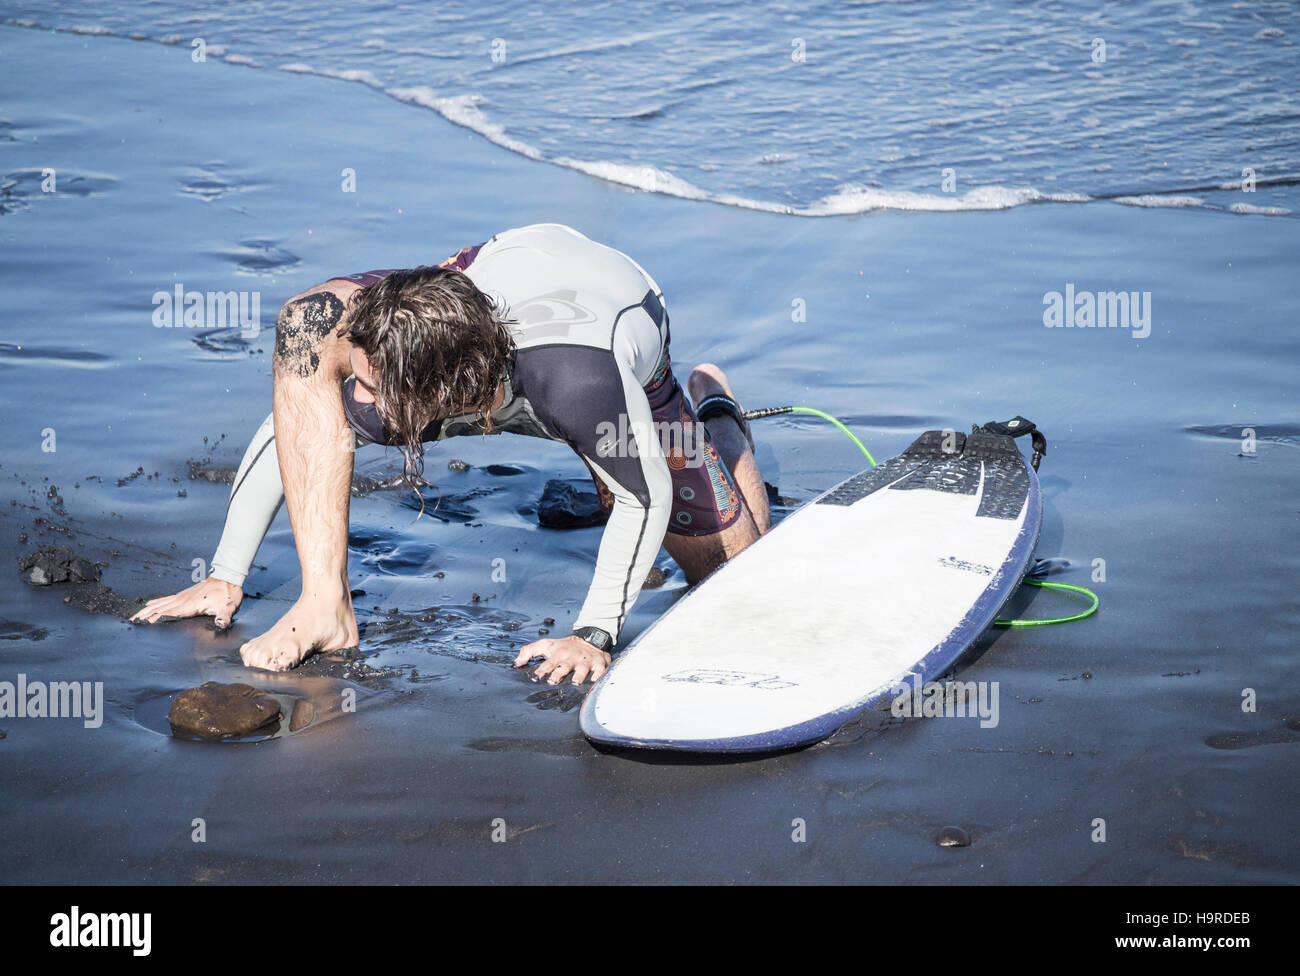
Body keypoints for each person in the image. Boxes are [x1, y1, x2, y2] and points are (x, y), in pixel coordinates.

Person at [132, 223, 770, 685]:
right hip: (492, 287)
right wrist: (225, 575)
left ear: (438, 392)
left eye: (372, 387)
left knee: (730, 577)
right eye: (361, 375)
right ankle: (324, 606)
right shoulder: (387, 340)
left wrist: (594, 632)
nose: (356, 397)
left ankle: (712, 405)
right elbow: (298, 422)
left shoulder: (579, 382)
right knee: (307, 332)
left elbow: (647, 493)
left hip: (619, 328)